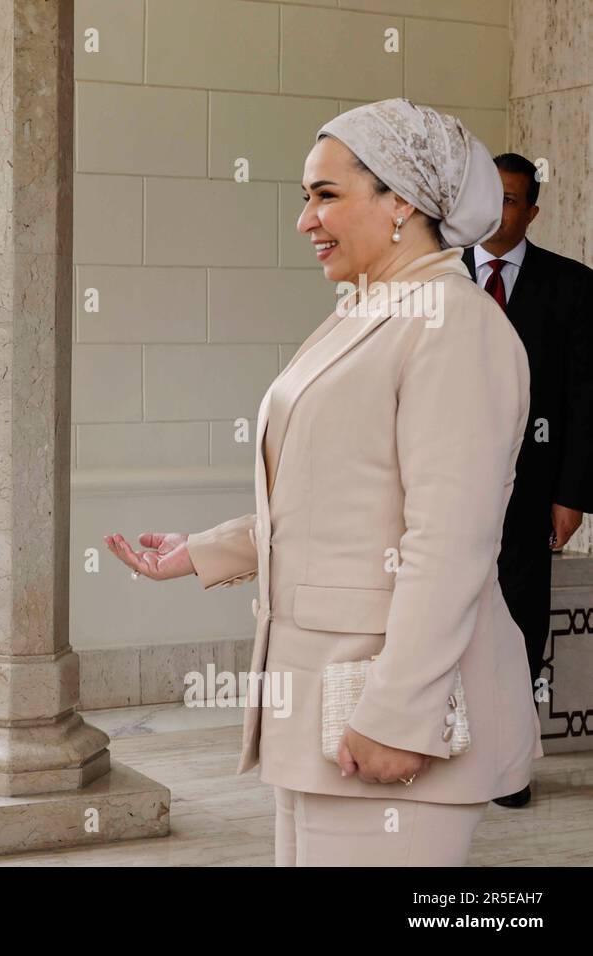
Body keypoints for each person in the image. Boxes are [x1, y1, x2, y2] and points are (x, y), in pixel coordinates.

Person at [105, 99, 541, 866]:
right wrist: (206, 550)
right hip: (320, 706)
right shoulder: (372, 308)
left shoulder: (455, 323)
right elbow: (335, 497)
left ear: (401, 200)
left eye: (325, 195)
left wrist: (398, 716)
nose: (306, 220)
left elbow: (451, 543)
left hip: (381, 714)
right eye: (306, 197)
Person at [464, 153, 593, 809]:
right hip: (443, 488)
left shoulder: (572, 286)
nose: (496, 210)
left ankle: (508, 767)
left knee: (518, 624)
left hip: (529, 489)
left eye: (510, 199)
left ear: (532, 211)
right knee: (442, 620)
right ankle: (441, 758)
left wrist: (572, 494)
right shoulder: (434, 276)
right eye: (488, 196)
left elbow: (585, 397)